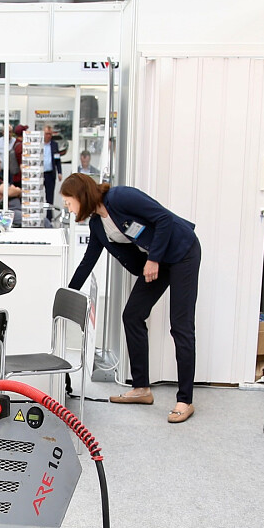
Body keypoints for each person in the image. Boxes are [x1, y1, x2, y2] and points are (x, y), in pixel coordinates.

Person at [61, 172, 201, 421]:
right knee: (132, 315)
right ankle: (141, 388)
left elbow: (164, 219)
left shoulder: (121, 197)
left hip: (182, 252)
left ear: (81, 195)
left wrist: (154, 259)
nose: (68, 208)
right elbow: (88, 261)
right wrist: (68, 294)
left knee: (180, 326)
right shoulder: (97, 223)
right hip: (157, 261)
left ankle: (185, 400)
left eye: (69, 202)